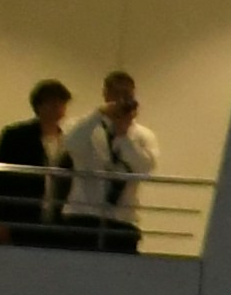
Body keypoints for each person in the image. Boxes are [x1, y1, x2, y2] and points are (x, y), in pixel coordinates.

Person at [55, 71, 157, 256]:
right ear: (106, 95)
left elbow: (145, 168)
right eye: (116, 94)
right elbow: (71, 144)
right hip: (82, 214)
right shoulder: (81, 125)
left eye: (126, 95)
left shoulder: (142, 135)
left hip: (123, 219)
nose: (120, 100)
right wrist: (99, 114)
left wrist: (124, 135)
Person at [0, 80, 75, 247]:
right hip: (20, 217)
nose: (57, 107)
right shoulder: (16, 136)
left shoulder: (68, 140)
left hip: (56, 221)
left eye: (61, 102)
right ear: (39, 105)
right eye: (51, 102)